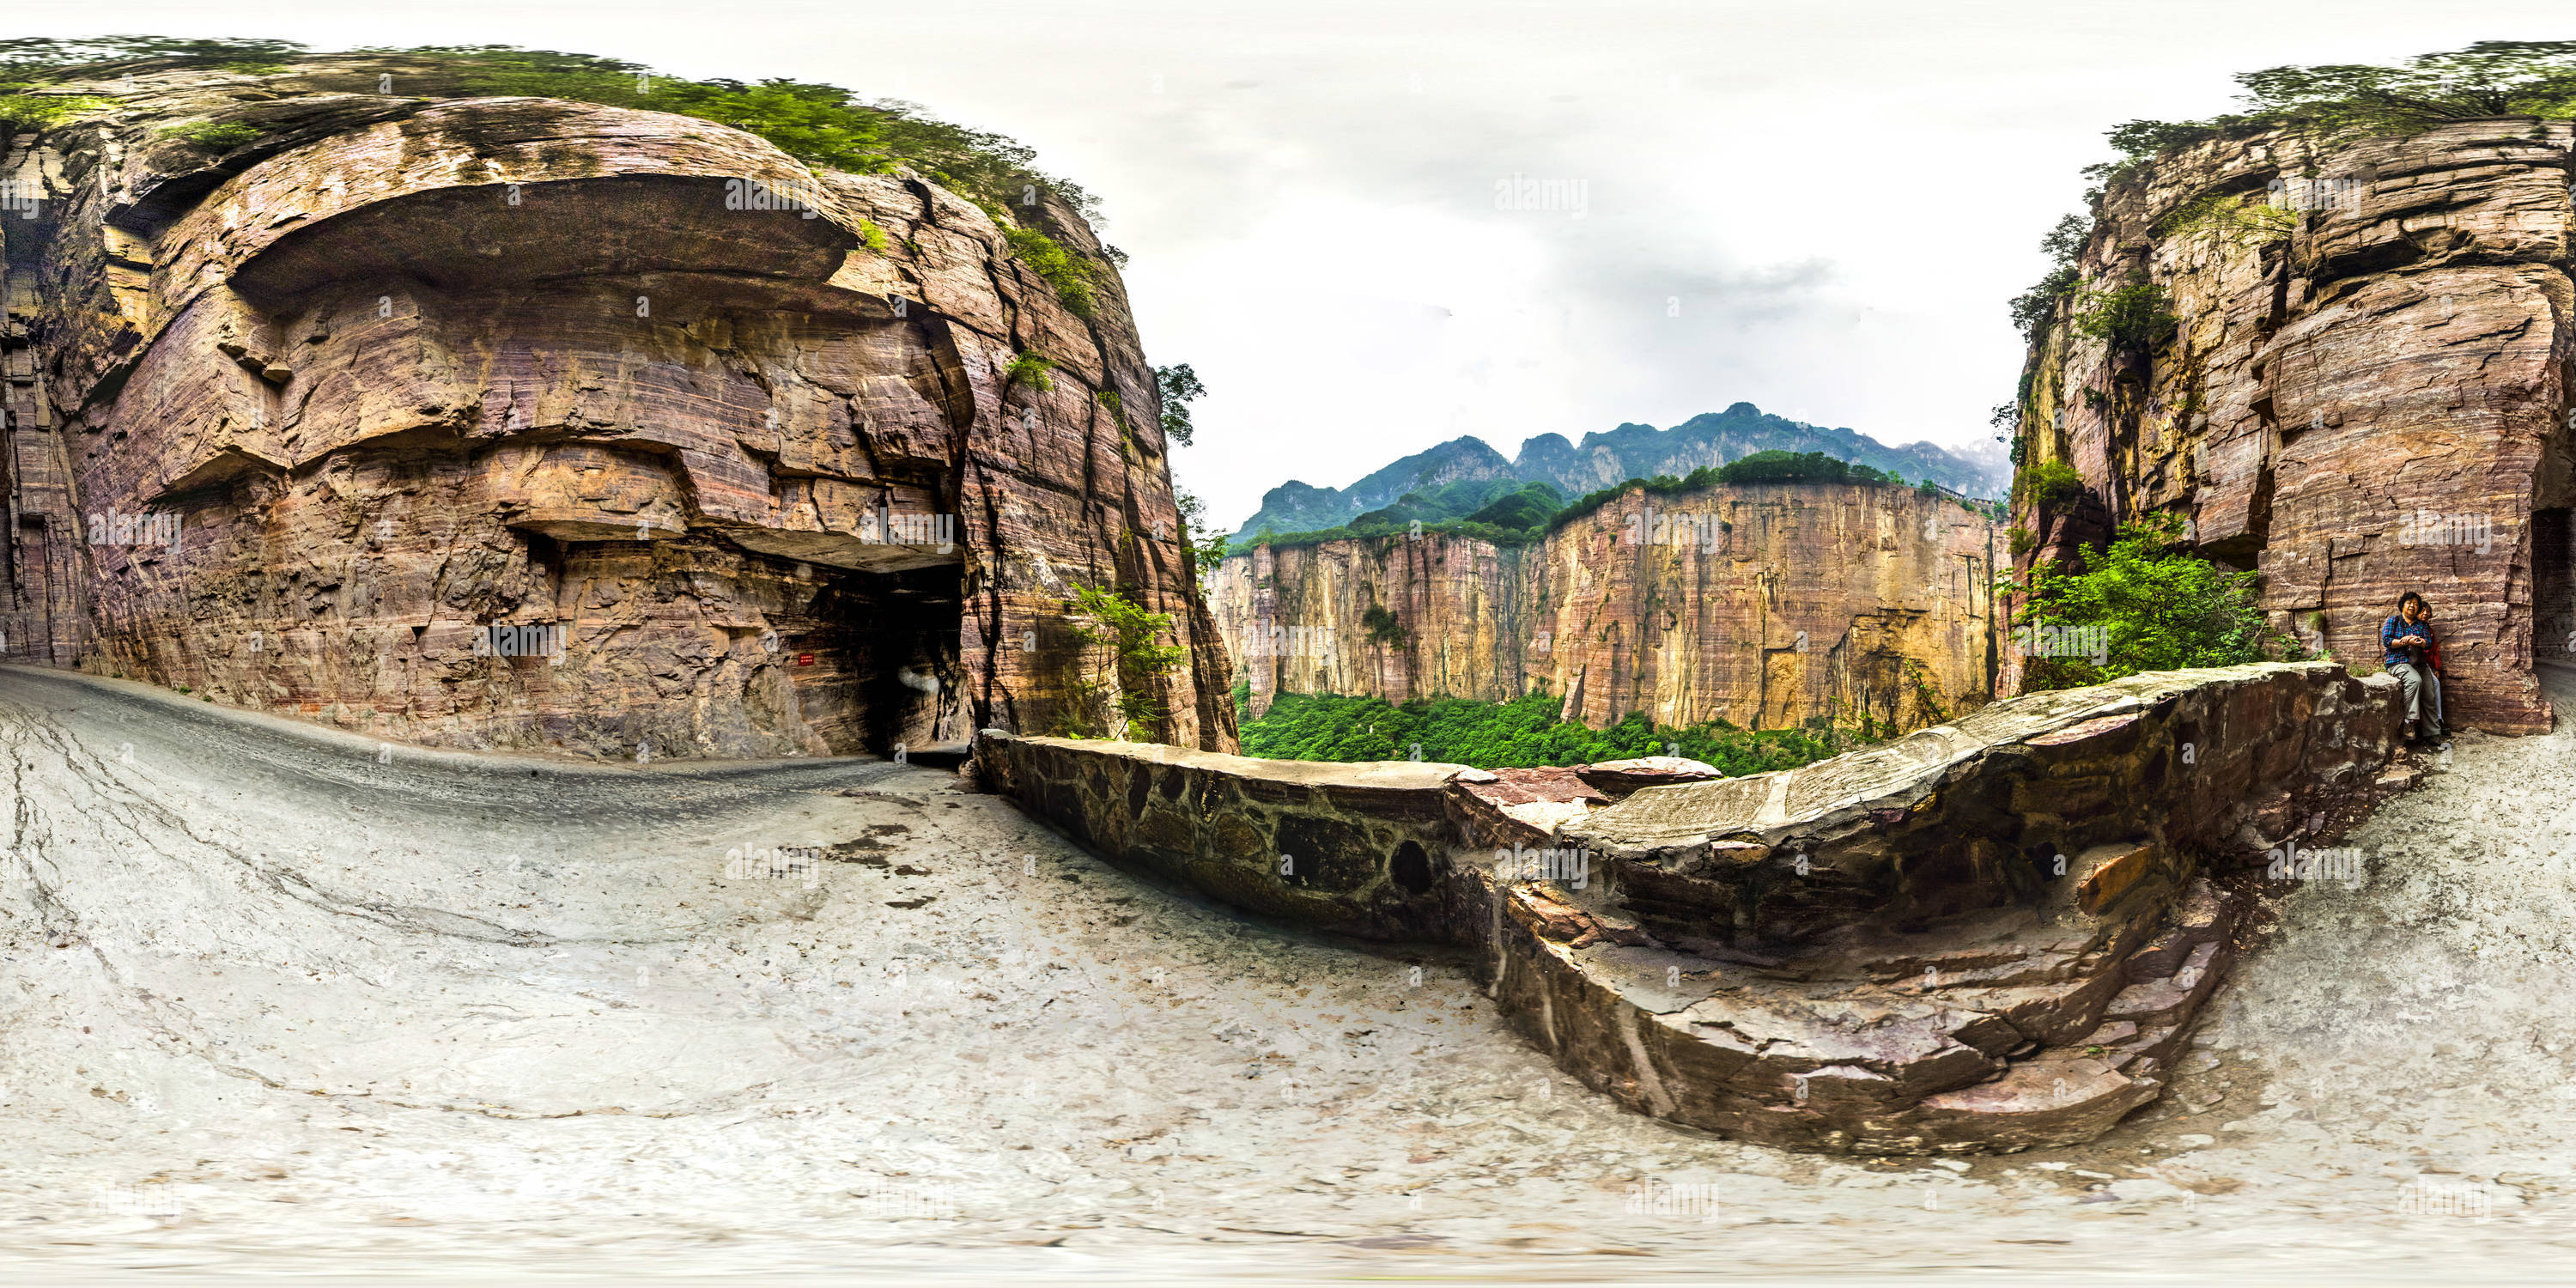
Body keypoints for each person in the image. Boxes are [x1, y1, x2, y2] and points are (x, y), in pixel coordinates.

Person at [2381, 591, 2448, 748]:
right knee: (2414, 680)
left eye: (2416, 604)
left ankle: (2432, 733)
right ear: (2402, 605)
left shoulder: (2422, 625)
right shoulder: (2394, 621)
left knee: (2430, 694)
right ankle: (2409, 722)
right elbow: (2387, 641)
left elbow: (2429, 643)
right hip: (2398, 662)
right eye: (2409, 603)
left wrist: (2420, 642)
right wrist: (2405, 641)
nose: (2412, 606)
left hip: (2418, 663)